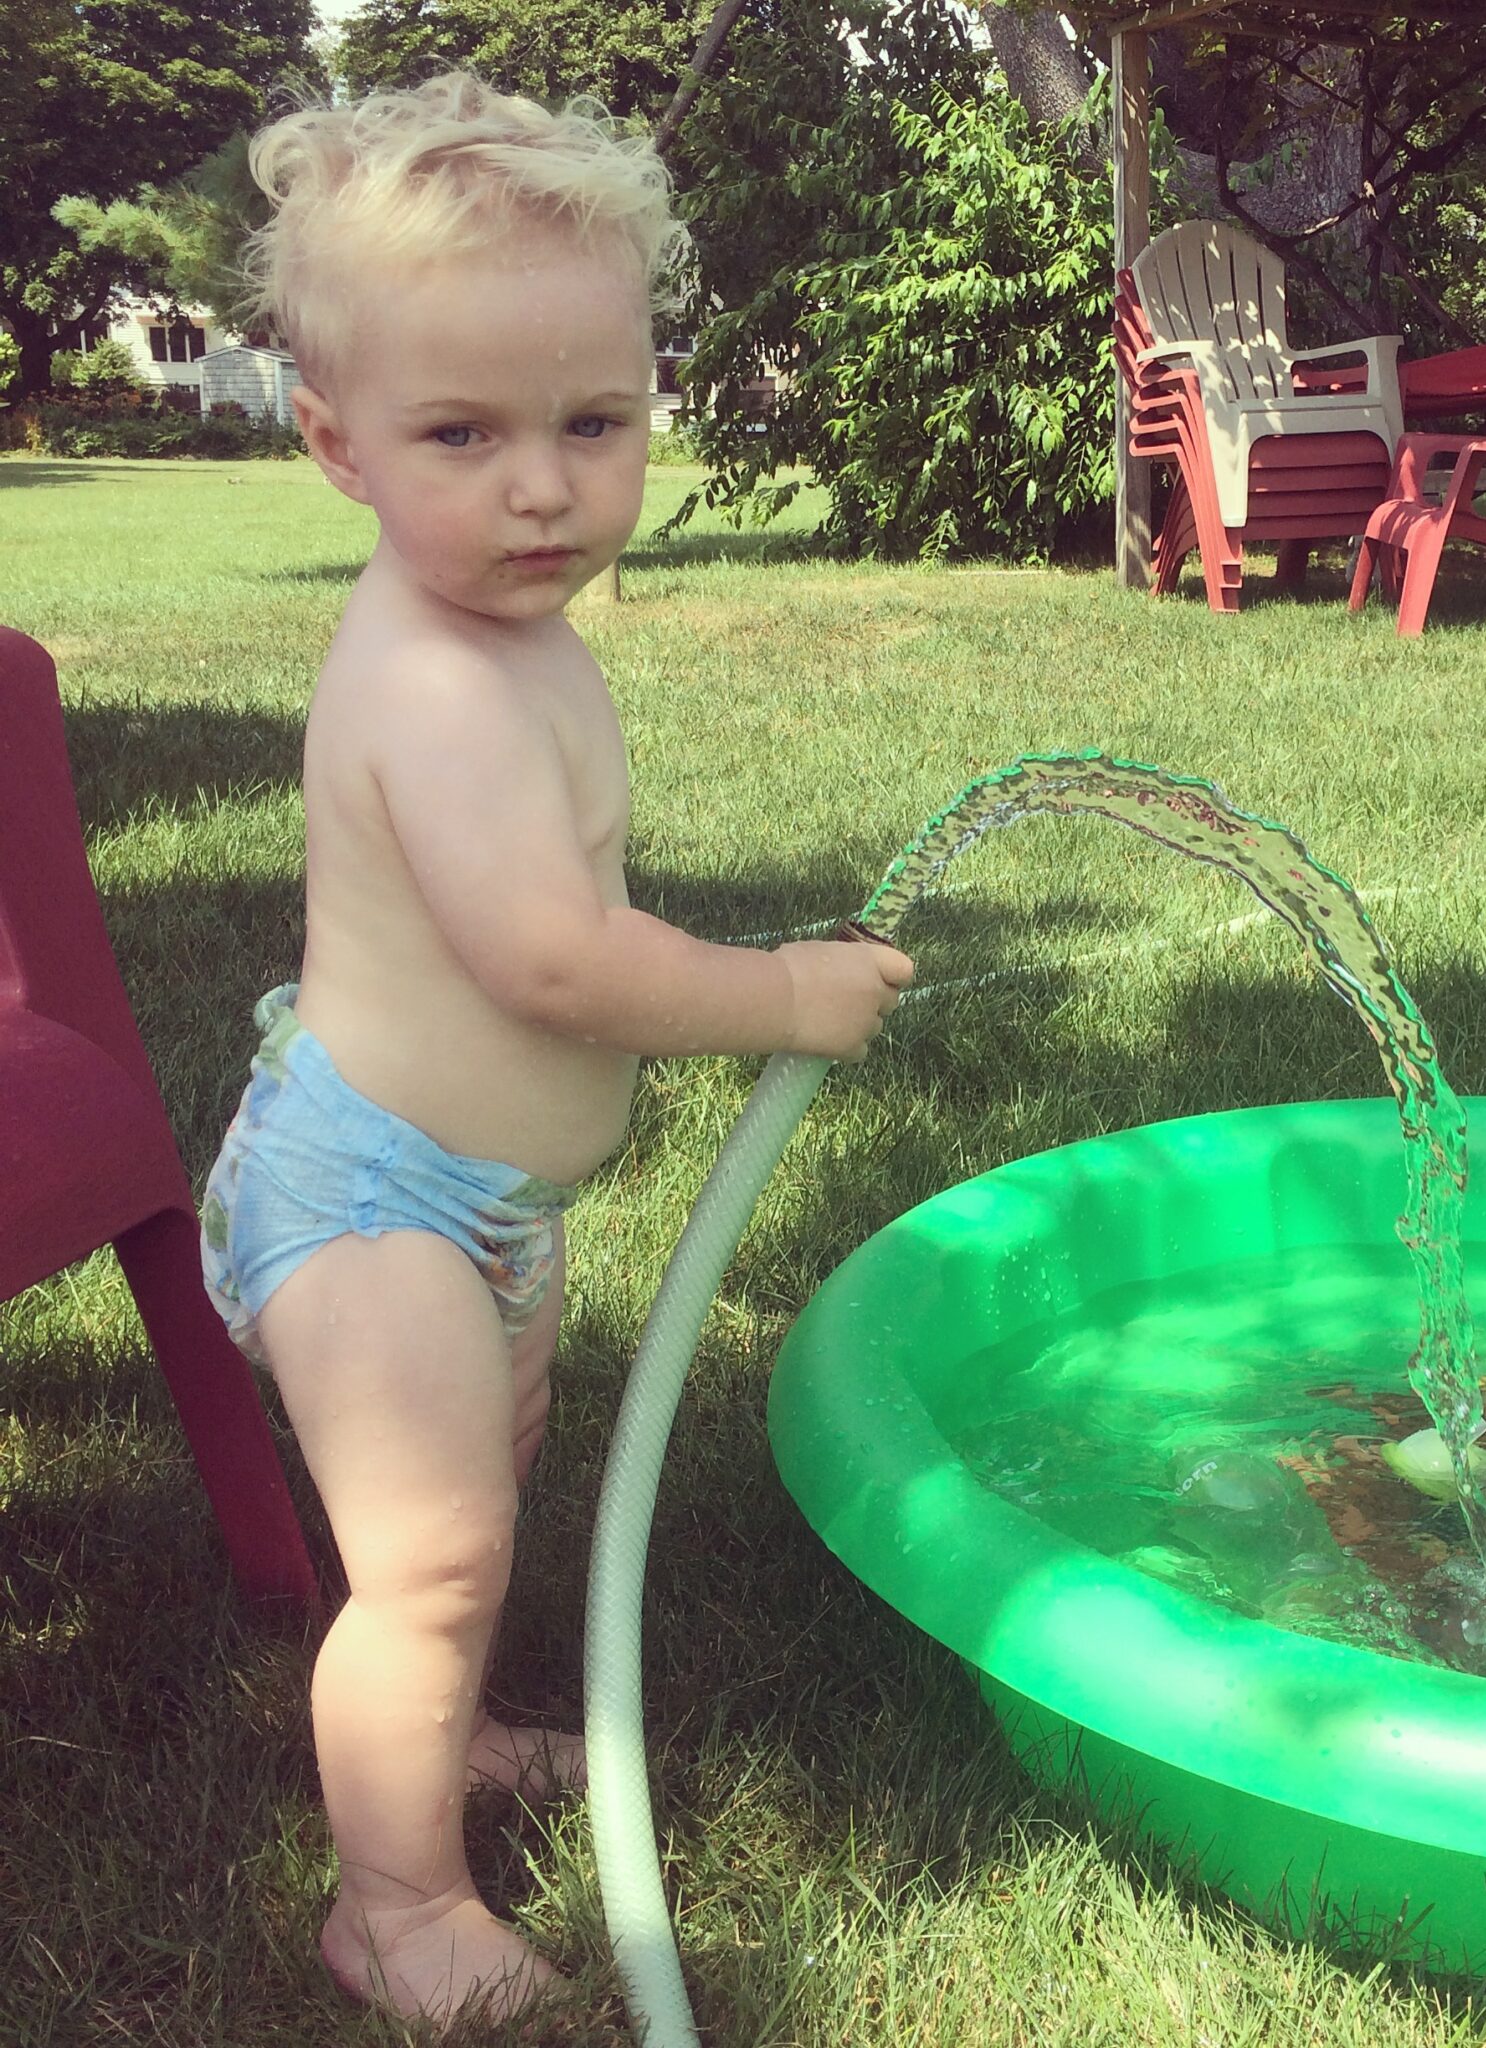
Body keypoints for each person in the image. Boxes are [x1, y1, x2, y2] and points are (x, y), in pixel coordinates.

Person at [197, 72, 914, 2028]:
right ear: (336, 444)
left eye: (593, 424)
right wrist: (778, 995)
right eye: (465, 435)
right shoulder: (435, 682)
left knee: (478, 1500)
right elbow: (551, 961)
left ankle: (453, 1728)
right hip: (370, 1195)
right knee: (428, 1558)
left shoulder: (514, 637)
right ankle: (393, 1904)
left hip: (480, 1198)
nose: (543, 488)